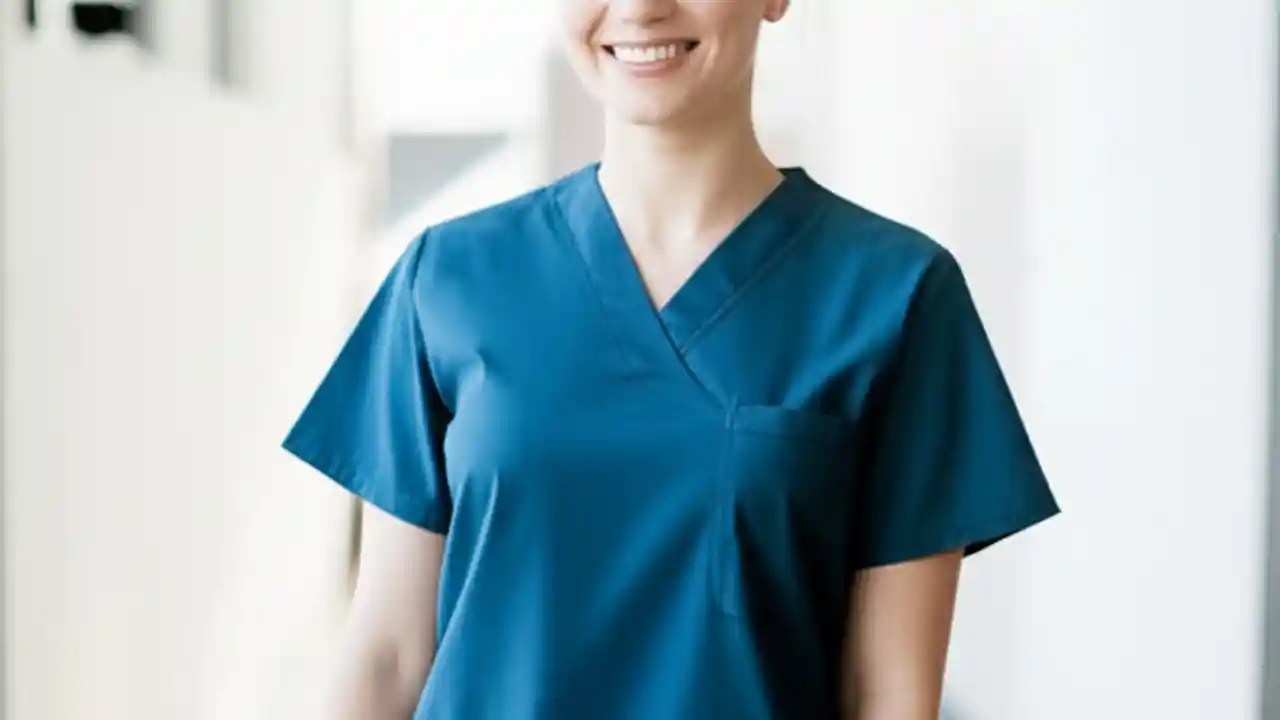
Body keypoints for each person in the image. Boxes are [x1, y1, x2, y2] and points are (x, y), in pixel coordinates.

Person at [280, 1, 1064, 718]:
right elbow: (387, 657)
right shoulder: (449, 279)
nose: (642, 6)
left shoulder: (896, 296)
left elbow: (888, 690)